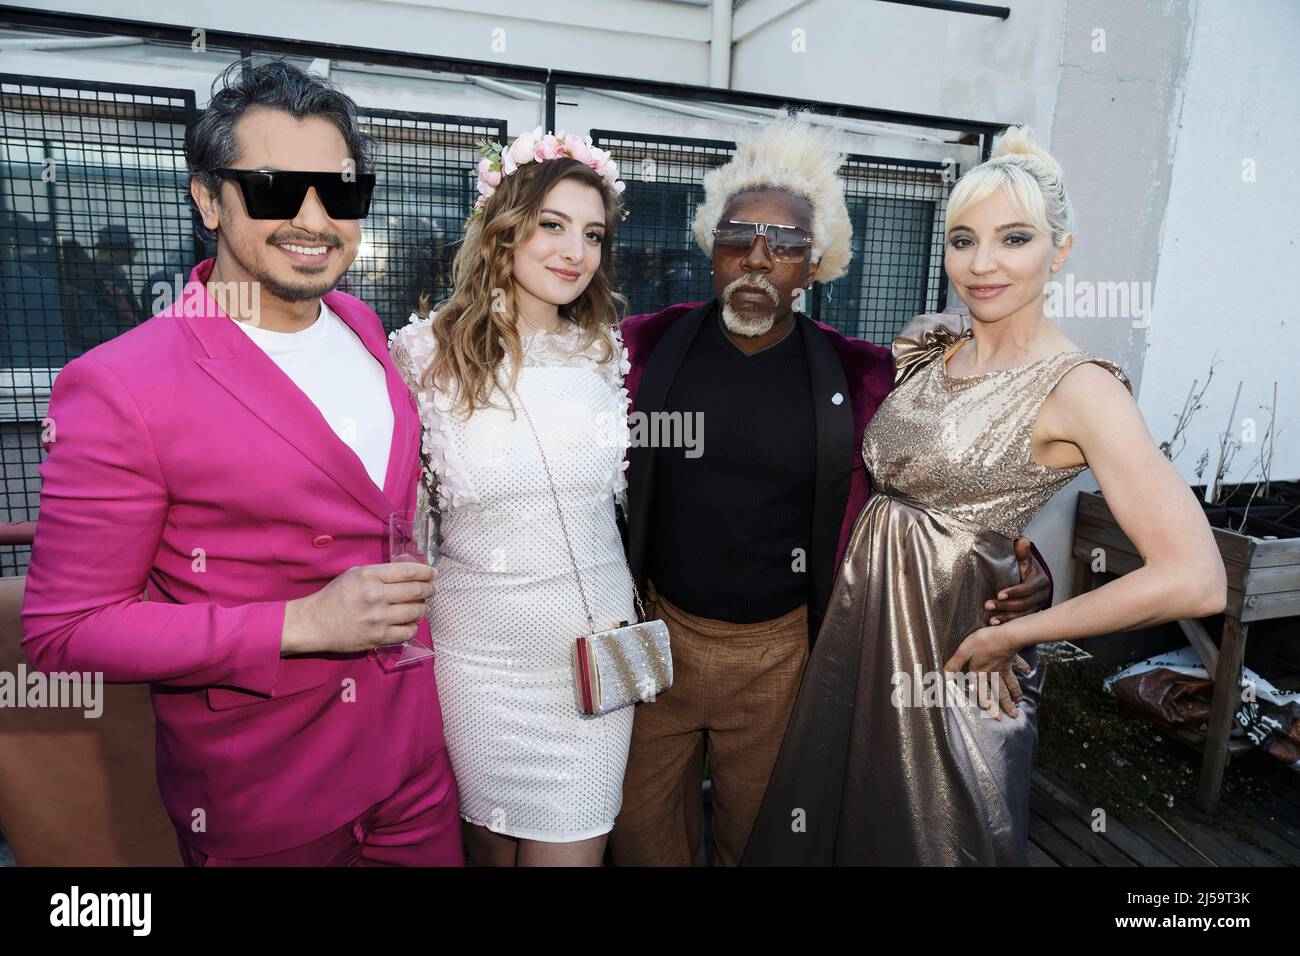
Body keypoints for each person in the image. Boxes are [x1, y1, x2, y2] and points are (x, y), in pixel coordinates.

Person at [744, 126, 1227, 866]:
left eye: (1015, 238)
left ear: (1060, 251)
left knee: (942, 839)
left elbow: (1195, 577)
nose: (983, 263)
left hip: (960, 654)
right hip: (866, 636)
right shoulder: (930, 348)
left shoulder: (1081, 389)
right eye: (963, 240)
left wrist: (1018, 633)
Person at [21, 58, 463, 867]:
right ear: (208, 200)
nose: (312, 218)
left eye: (339, 191)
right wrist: (304, 624)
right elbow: (64, 633)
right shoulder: (122, 384)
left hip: (415, 765)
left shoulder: (364, 326)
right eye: (270, 188)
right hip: (266, 798)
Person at [609, 114, 1054, 867]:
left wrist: (1014, 569)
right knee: (640, 835)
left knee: (765, 842)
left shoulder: (864, 377)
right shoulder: (640, 350)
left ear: (815, 266)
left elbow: (943, 485)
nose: (758, 257)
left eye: (785, 244)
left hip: (785, 656)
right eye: (739, 235)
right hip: (652, 637)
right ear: (710, 247)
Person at [389, 128, 634, 866]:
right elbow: (408, 522)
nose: (574, 251)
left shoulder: (604, 352)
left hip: (594, 658)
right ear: (505, 226)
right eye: (552, 225)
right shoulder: (424, 355)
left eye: (592, 234)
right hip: (477, 664)